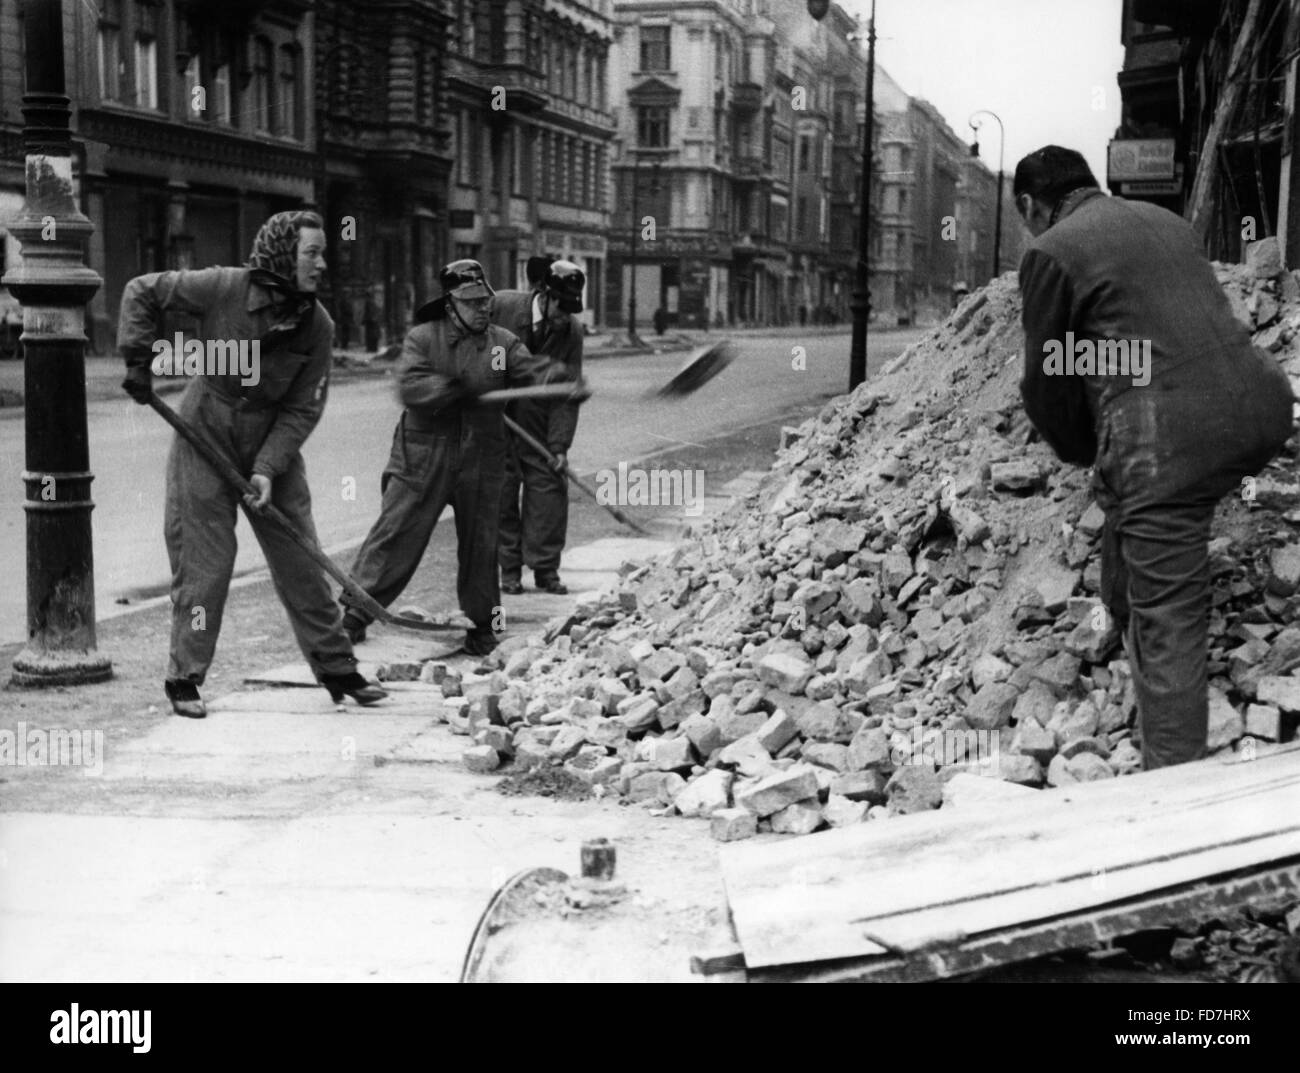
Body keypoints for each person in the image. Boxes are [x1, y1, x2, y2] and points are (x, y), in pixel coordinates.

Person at [1014, 145, 1294, 769]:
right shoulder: (1168, 223)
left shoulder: (1051, 251)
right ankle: (1118, 608)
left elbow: (1045, 383)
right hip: (1264, 403)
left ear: (1032, 206)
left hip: (1173, 443)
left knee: (1169, 618)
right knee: (1128, 469)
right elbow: (1164, 337)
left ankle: (1174, 793)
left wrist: (1089, 447)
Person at [117, 210, 387, 717]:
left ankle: (337, 669)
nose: (322, 263)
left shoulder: (317, 325)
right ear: (284, 254)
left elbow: (303, 406)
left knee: (301, 559)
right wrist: (137, 359)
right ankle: (185, 678)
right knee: (205, 566)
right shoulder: (223, 288)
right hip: (204, 432)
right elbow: (142, 289)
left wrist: (267, 467)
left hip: (269, 441)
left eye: (323, 252)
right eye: (312, 252)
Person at [339, 260, 571, 655]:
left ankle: (482, 626)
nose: (483, 308)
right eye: (472, 302)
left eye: (485, 301)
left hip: (482, 455)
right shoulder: (423, 339)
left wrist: (558, 378)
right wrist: (452, 389)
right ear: (450, 304)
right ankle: (354, 615)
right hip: (424, 453)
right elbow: (410, 385)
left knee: (482, 545)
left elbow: (528, 368)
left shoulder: (501, 344)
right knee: (397, 533)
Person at [492, 258, 586, 595]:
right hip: (497, 410)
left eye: (571, 310)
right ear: (543, 295)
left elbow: (567, 392)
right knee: (500, 491)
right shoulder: (501, 306)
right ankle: (509, 570)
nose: (565, 317)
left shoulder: (571, 331)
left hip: (538, 417)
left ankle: (546, 569)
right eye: (561, 308)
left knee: (548, 486)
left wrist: (559, 445)